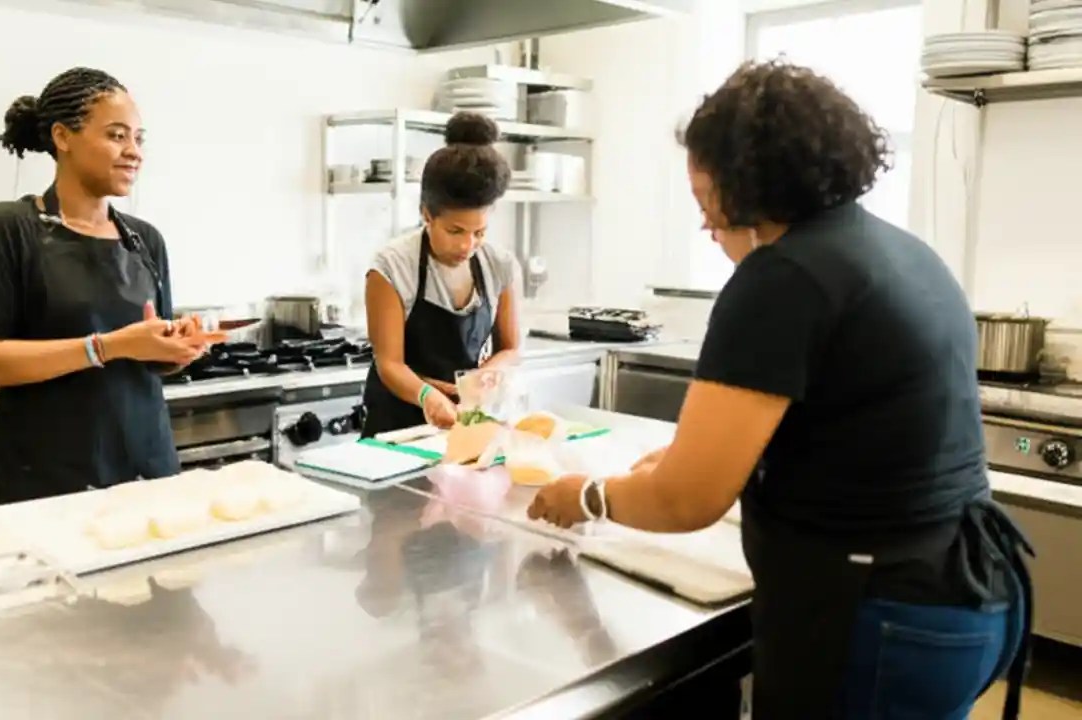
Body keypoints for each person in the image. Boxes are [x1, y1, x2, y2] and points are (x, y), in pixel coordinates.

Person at [528, 60, 1033, 720]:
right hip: (962, 593)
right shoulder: (894, 249)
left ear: (747, 180)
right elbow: (843, 432)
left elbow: (686, 501)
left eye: (706, 199)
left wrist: (586, 495)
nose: (706, 222)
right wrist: (682, 463)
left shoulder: (783, 279)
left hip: (877, 611)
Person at [0, 67, 223, 504]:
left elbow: (147, 356)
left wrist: (177, 350)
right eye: (117, 136)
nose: (133, 152)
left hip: (147, 470)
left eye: (139, 138)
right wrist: (107, 346)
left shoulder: (144, 240)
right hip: (47, 482)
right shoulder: (7, 228)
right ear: (63, 136)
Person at [360, 112, 522, 437]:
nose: (467, 245)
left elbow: (511, 348)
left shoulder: (499, 265)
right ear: (426, 214)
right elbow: (389, 363)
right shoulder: (392, 266)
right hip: (397, 426)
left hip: (462, 422)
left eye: (480, 232)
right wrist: (427, 396)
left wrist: (484, 378)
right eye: (455, 230)